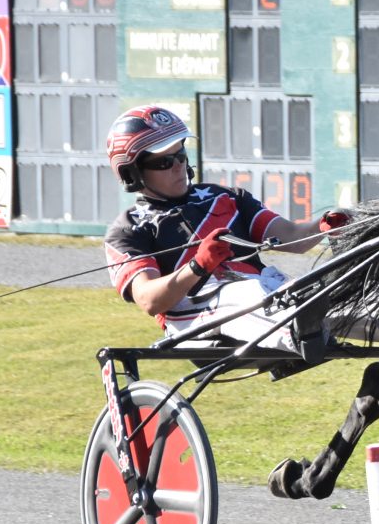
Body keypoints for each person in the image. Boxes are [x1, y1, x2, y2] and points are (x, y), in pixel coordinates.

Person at [101, 105, 348, 348]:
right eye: (164, 162)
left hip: (266, 289)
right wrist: (197, 266)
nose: (178, 166)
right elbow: (149, 300)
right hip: (194, 311)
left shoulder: (228, 197)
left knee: (317, 291)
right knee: (248, 293)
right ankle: (304, 329)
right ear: (132, 172)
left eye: (180, 156)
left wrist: (323, 225)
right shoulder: (126, 229)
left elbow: (294, 238)